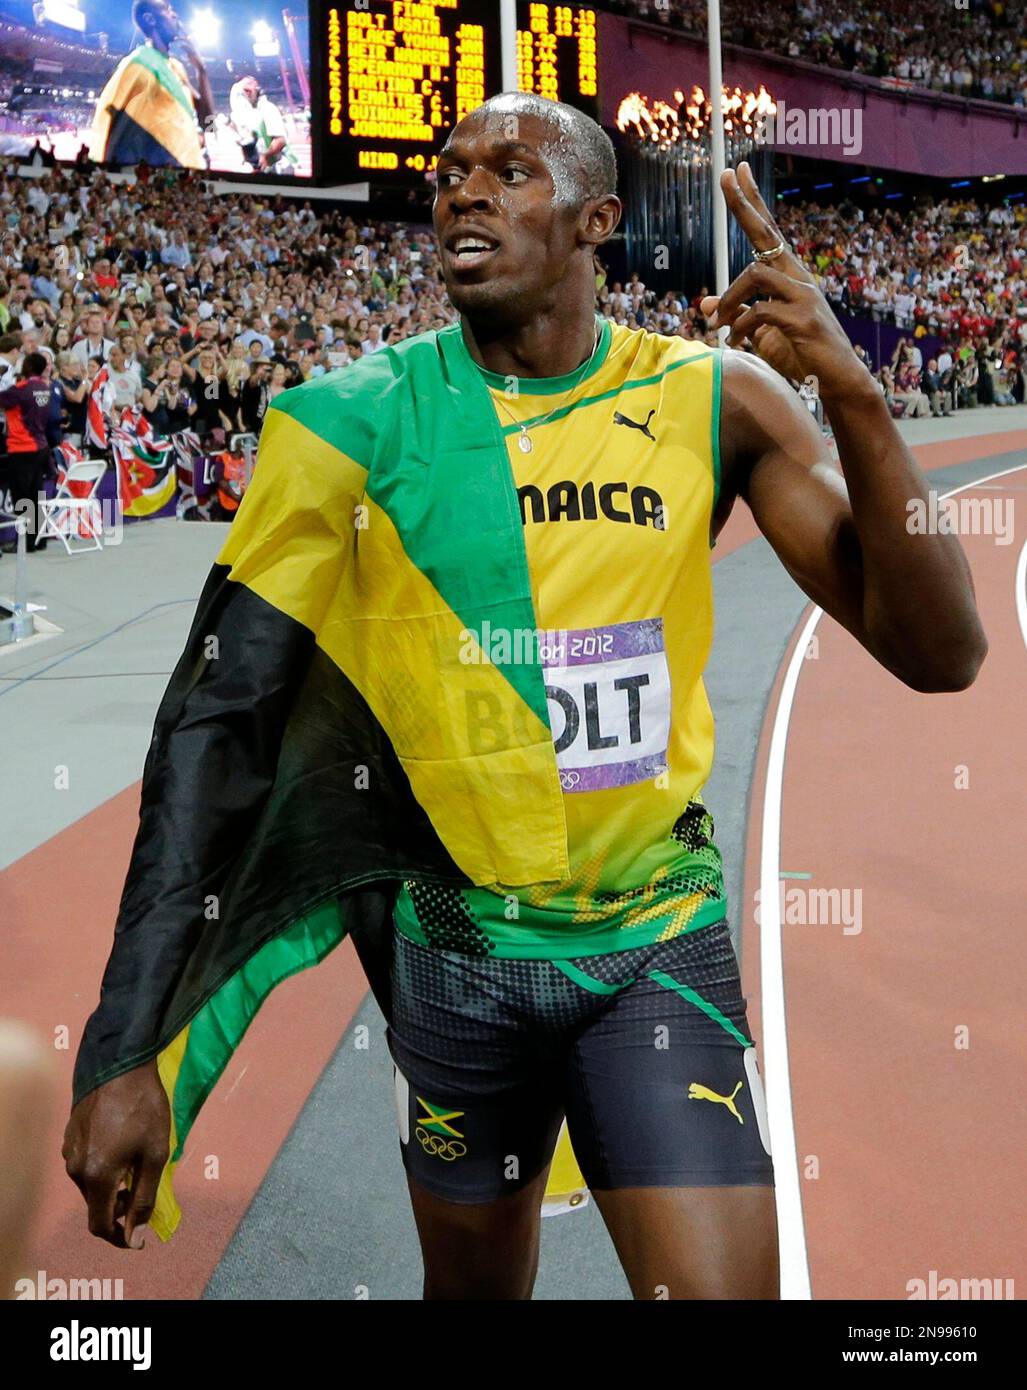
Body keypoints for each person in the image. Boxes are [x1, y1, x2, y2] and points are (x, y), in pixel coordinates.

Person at [63, 97, 987, 1300]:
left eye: (510, 170)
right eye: (450, 173)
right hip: (457, 955)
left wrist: (854, 396)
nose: (464, 191)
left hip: (653, 939)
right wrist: (124, 1046)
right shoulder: (345, 425)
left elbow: (943, 649)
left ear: (597, 220)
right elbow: (212, 730)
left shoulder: (714, 401)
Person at [90, 0, 212, 169]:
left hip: (192, 172)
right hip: (164, 176)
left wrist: (202, 70)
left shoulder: (177, 68)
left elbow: (208, 123)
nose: (175, 15)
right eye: (168, 10)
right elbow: (108, 117)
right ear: (150, 19)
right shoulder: (138, 63)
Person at [0, 351, 54, 552]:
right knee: (36, 495)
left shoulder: (21, 389)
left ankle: (24, 543)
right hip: (40, 446)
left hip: (22, 447)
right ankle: (39, 539)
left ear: (28, 367)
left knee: (22, 498)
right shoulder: (44, 387)